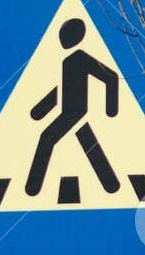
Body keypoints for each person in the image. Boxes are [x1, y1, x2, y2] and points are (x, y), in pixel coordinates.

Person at [25, 17, 121, 196]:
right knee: (88, 142)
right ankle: (112, 185)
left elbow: (111, 77)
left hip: (75, 112)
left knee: (47, 138)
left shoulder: (80, 58)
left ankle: (32, 187)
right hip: (69, 111)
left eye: (65, 35)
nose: (61, 40)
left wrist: (111, 109)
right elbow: (62, 89)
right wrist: (40, 110)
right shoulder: (69, 60)